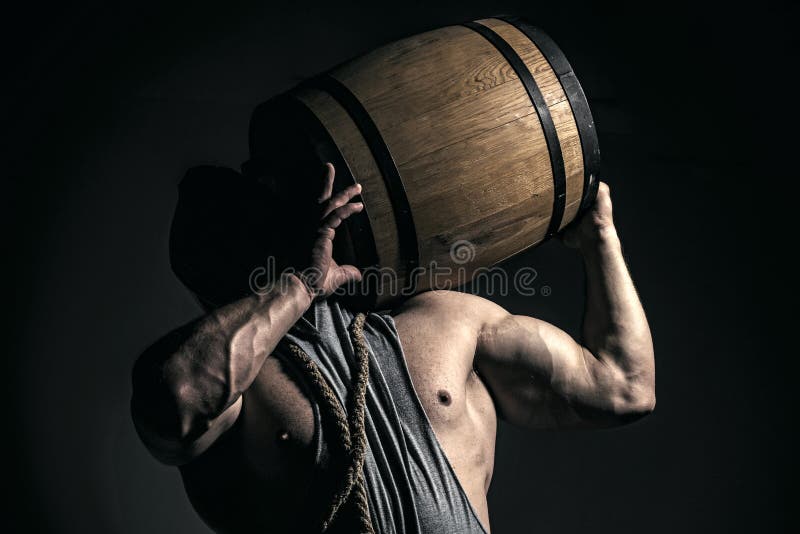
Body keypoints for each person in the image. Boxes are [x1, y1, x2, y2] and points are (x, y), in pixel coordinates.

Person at [131, 162, 655, 533]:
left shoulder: (447, 319)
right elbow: (175, 398)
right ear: (204, 289)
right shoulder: (229, 393)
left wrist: (600, 239)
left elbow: (624, 388)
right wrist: (299, 285)